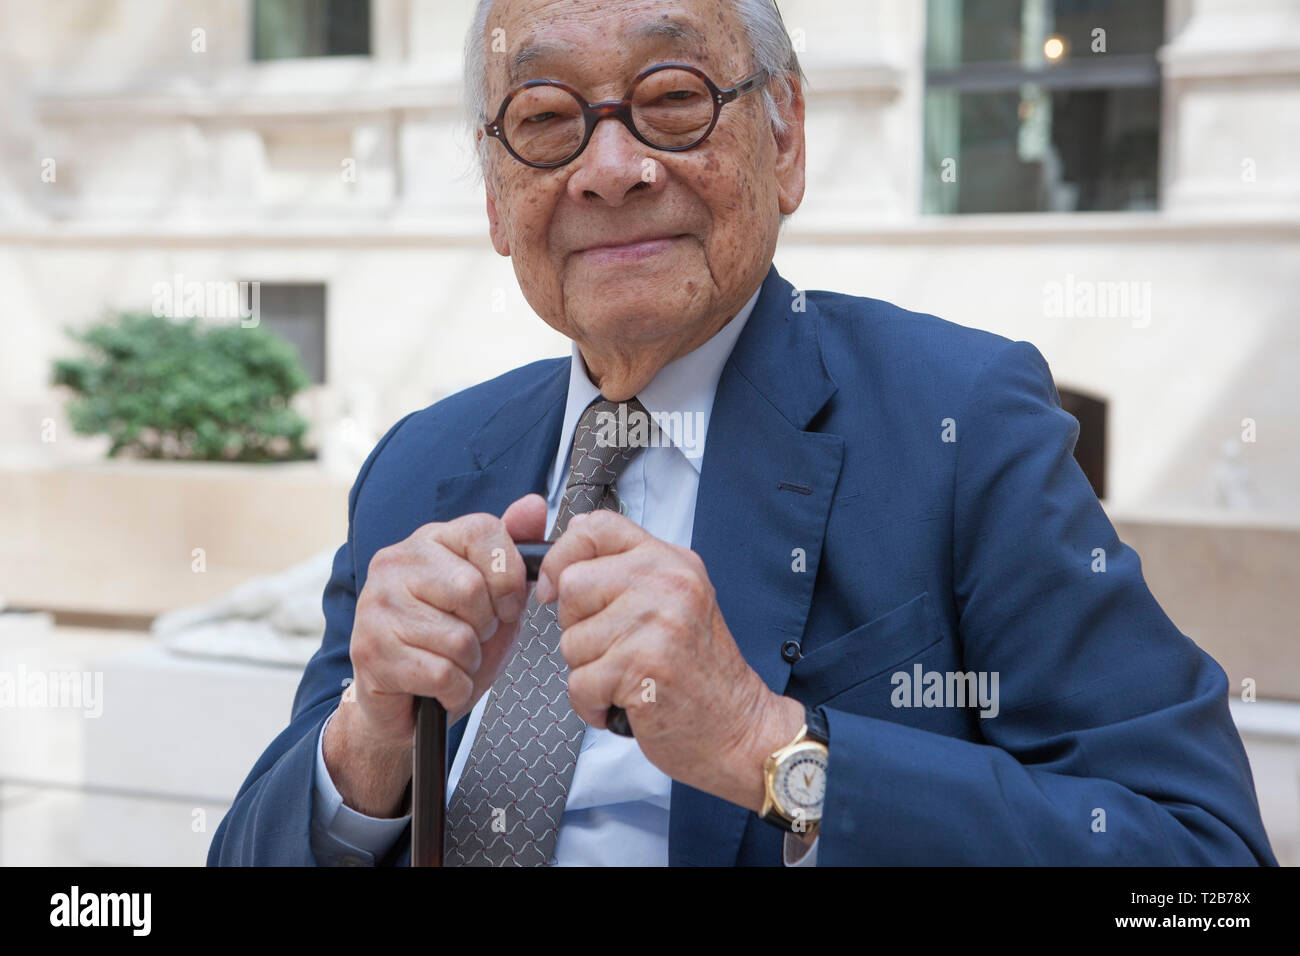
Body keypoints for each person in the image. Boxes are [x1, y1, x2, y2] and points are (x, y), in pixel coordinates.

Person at [209, 0, 1276, 866]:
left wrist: (768, 745)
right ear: (497, 199)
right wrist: (365, 745)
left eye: (671, 99)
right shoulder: (424, 462)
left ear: (785, 141)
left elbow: (1200, 858)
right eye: (542, 120)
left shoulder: (961, 420)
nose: (609, 165)